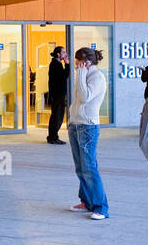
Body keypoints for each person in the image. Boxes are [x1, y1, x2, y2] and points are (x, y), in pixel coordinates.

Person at [68, 48, 108, 220]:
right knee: (80, 168)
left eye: (78, 61)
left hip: (88, 127)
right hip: (75, 125)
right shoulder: (83, 75)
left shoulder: (96, 77)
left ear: (87, 62)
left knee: (90, 168)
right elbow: (77, 100)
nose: (76, 64)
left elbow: (85, 97)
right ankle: (86, 201)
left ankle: (101, 207)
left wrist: (81, 74)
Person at [46, 46, 70, 145]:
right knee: (57, 116)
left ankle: (53, 137)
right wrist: (67, 64)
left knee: (57, 116)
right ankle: (53, 137)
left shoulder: (57, 64)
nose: (65, 54)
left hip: (57, 94)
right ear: (58, 54)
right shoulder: (56, 64)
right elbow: (64, 76)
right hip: (58, 94)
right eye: (63, 52)